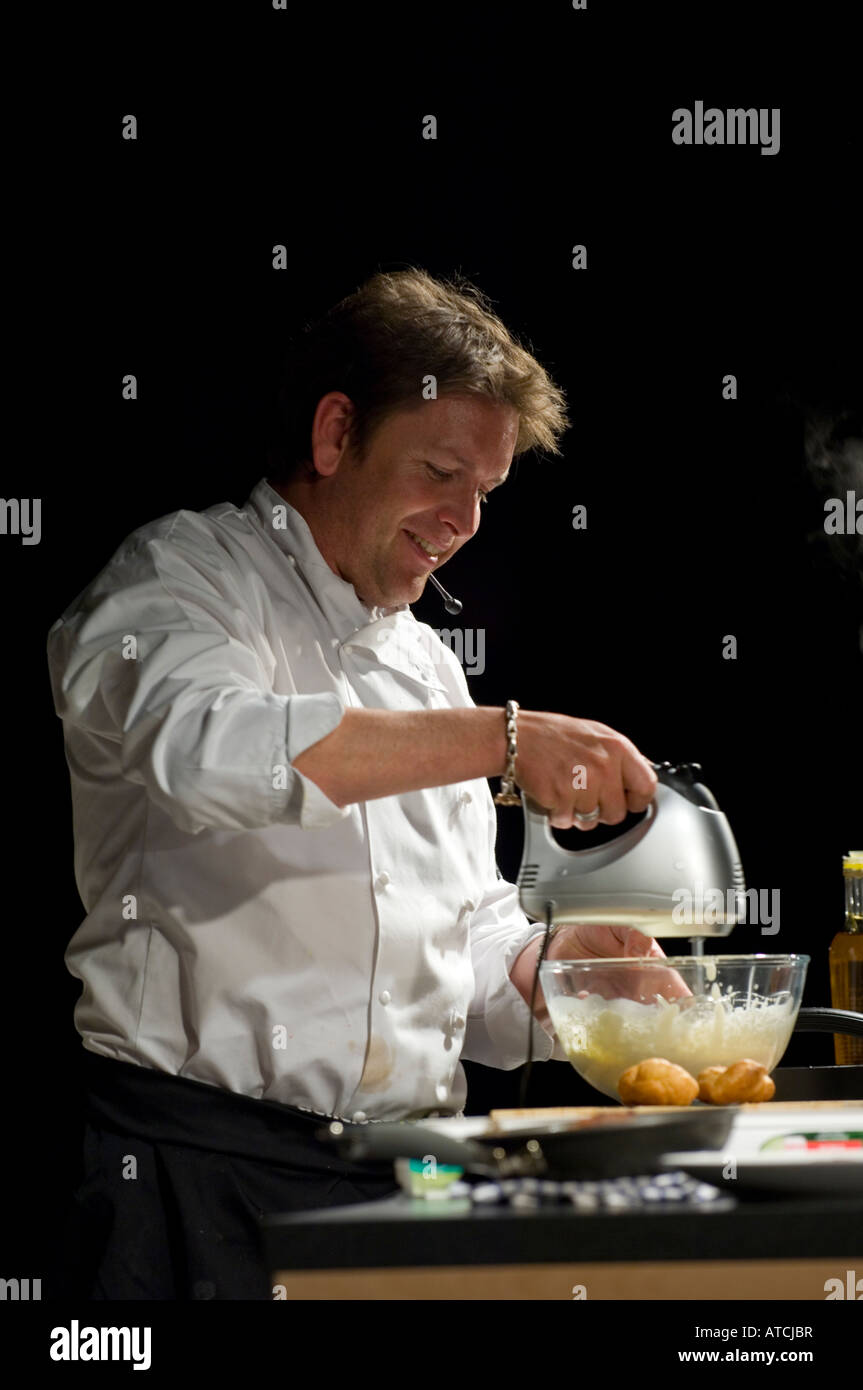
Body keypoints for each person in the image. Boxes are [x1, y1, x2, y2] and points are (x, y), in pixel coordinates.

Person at [46, 267, 661, 1301]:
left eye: (485, 493)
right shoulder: (176, 582)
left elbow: (451, 933)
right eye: (438, 472)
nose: (463, 519)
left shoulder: (425, 665)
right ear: (335, 436)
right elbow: (210, 754)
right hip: (192, 1190)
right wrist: (504, 741)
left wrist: (545, 970)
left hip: (402, 1188)